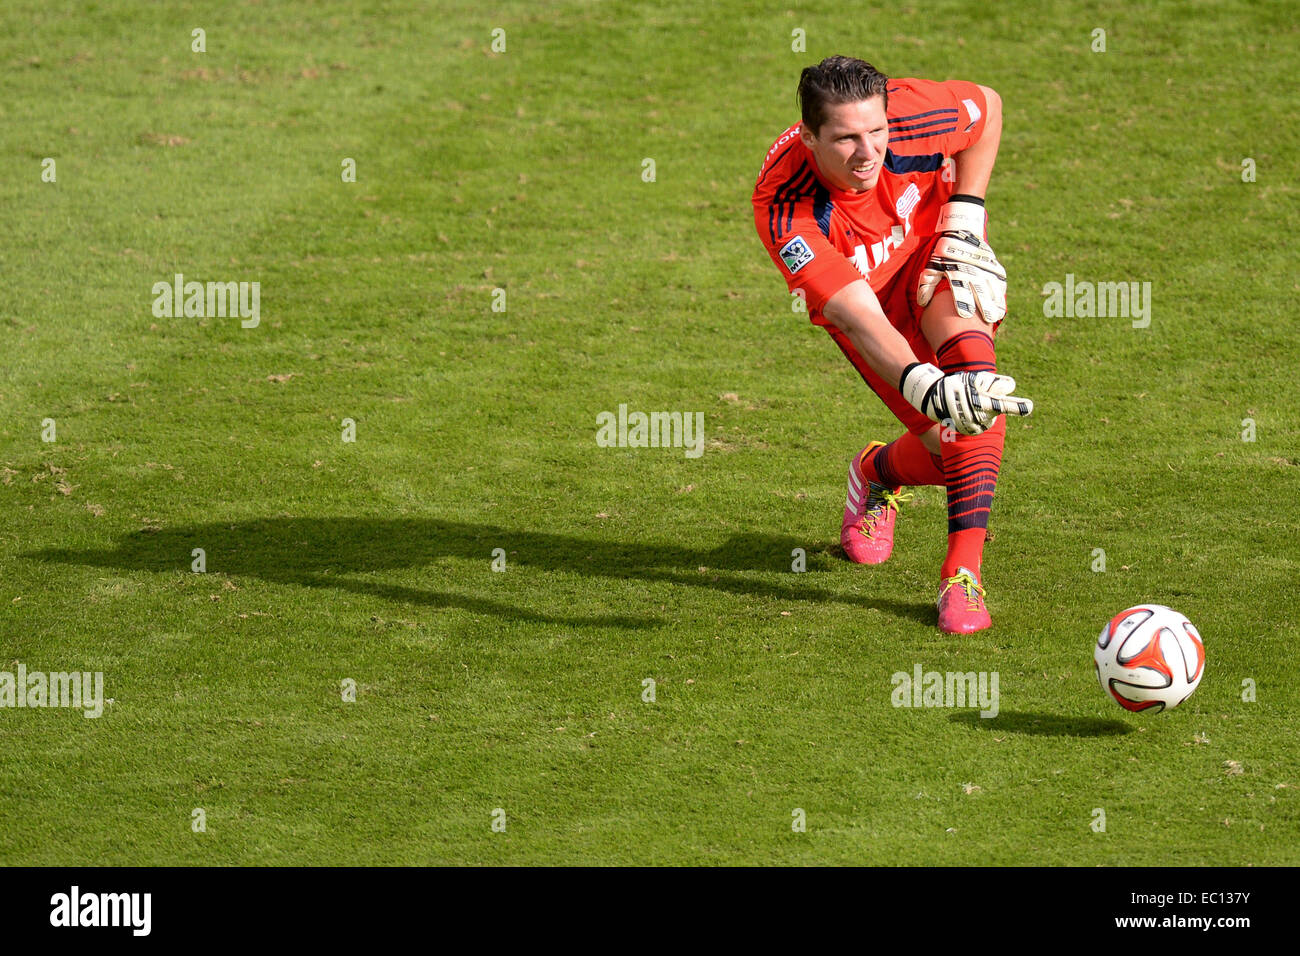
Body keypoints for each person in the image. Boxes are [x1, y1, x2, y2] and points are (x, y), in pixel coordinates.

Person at [752, 55, 1034, 634]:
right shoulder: (784, 203)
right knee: (945, 441)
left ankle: (962, 576)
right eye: (846, 139)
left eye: (877, 131)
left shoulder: (915, 116)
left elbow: (988, 104)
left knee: (974, 397)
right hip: (869, 311)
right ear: (808, 137)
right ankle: (879, 470)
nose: (868, 152)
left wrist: (965, 216)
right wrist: (919, 382)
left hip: (935, 261)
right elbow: (852, 311)